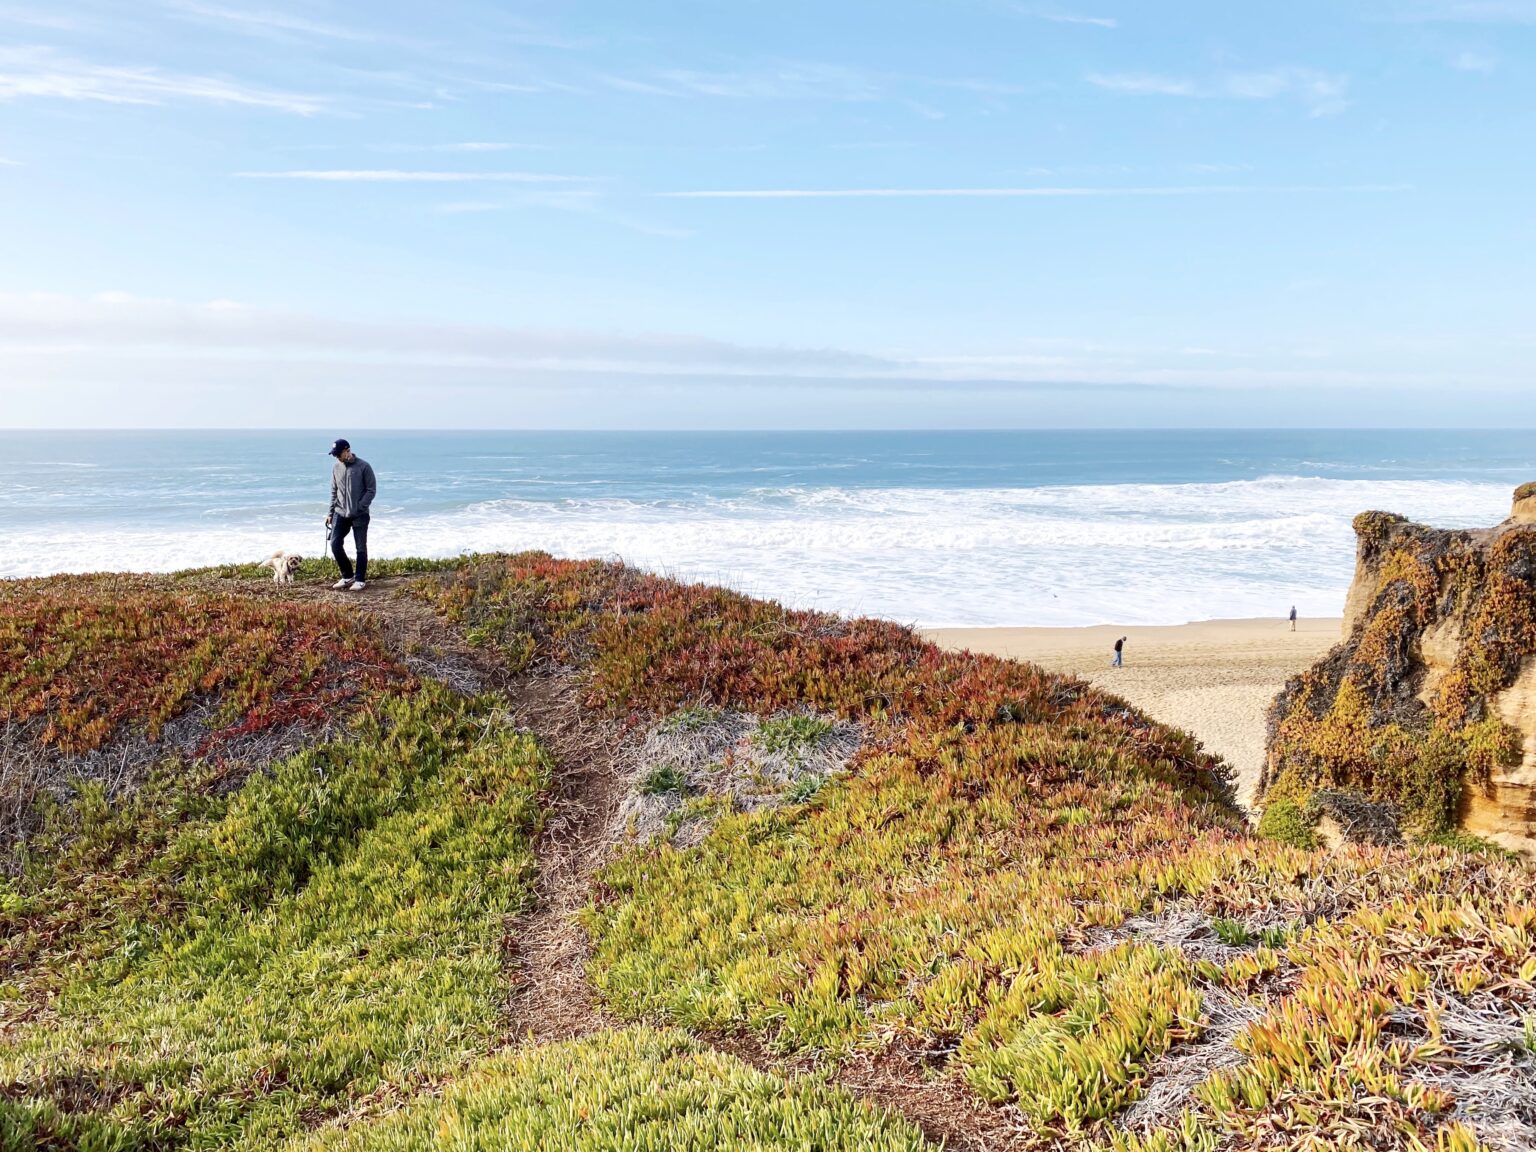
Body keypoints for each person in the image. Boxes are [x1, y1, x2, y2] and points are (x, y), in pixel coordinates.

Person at [326, 438, 376, 591]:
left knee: (360, 547)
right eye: (335, 454)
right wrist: (330, 513)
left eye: (338, 454)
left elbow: (371, 490)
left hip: (360, 514)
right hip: (340, 513)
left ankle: (360, 579)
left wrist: (360, 507)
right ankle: (347, 576)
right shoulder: (336, 468)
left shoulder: (363, 466)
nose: (336, 457)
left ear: (347, 450)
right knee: (335, 544)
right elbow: (334, 492)